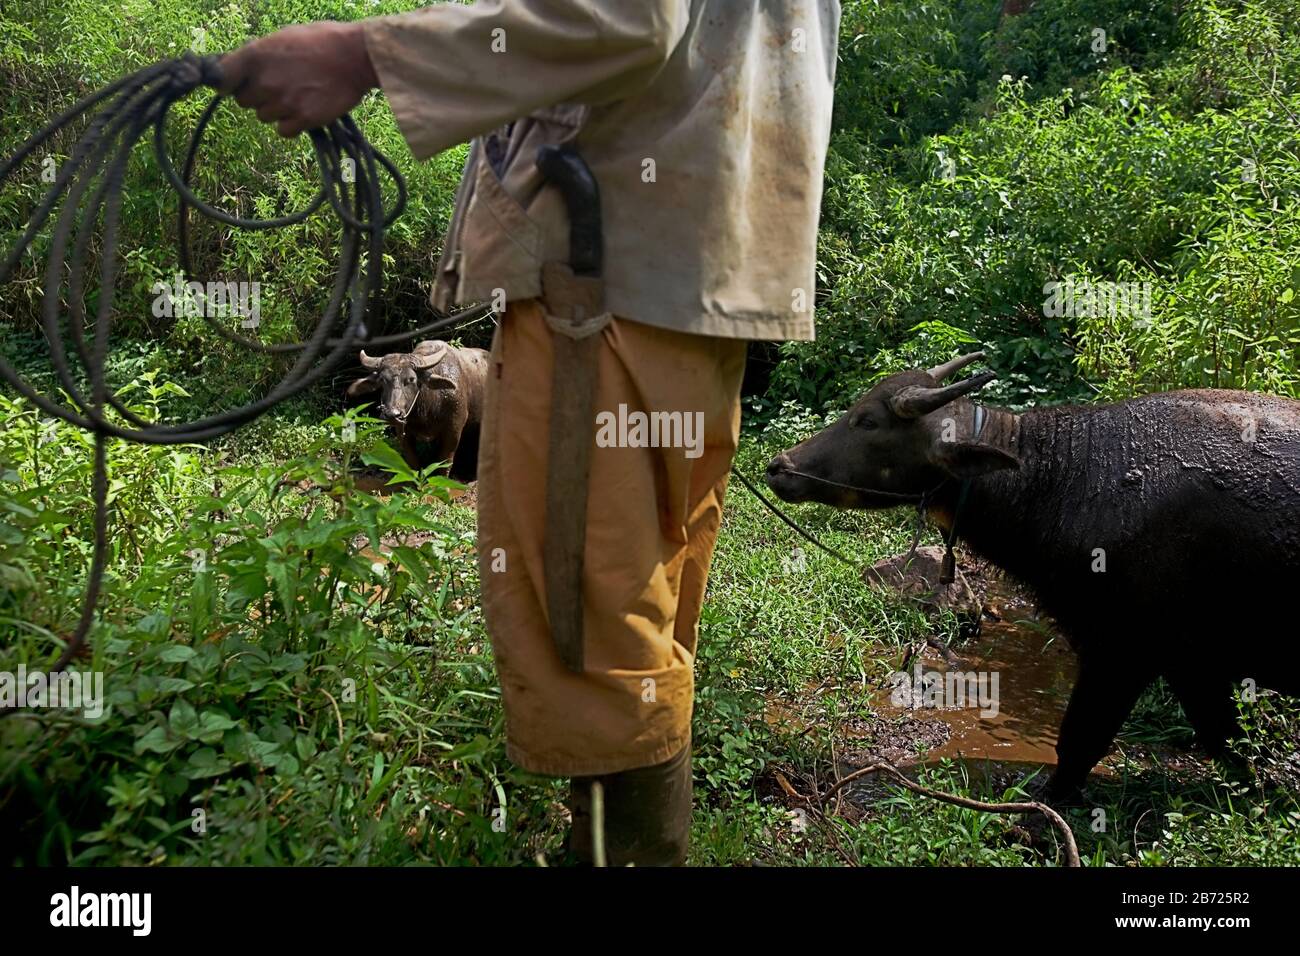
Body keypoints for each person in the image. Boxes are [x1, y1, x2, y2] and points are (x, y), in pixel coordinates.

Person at [218, 0, 840, 865]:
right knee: (639, 612)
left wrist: (364, 53)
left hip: (598, 282)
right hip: (686, 274)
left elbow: (626, 19)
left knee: (593, 631)